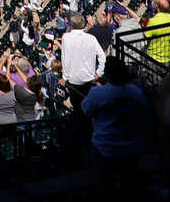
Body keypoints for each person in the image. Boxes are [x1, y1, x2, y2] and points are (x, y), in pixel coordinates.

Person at [81, 56, 150, 192]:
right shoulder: (136, 92)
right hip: (132, 146)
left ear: (107, 74)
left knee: (105, 186)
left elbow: (85, 110)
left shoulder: (98, 93)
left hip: (105, 148)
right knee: (130, 184)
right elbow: (145, 115)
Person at [61, 13, 106, 112]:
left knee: (78, 108)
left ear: (71, 25)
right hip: (89, 79)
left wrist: (64, 77)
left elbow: (65, 59)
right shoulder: (91, 38)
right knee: (89, 107)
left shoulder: (66, 38)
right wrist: (99, 73)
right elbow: (102, 56)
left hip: (74, 81)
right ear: (83, 24)